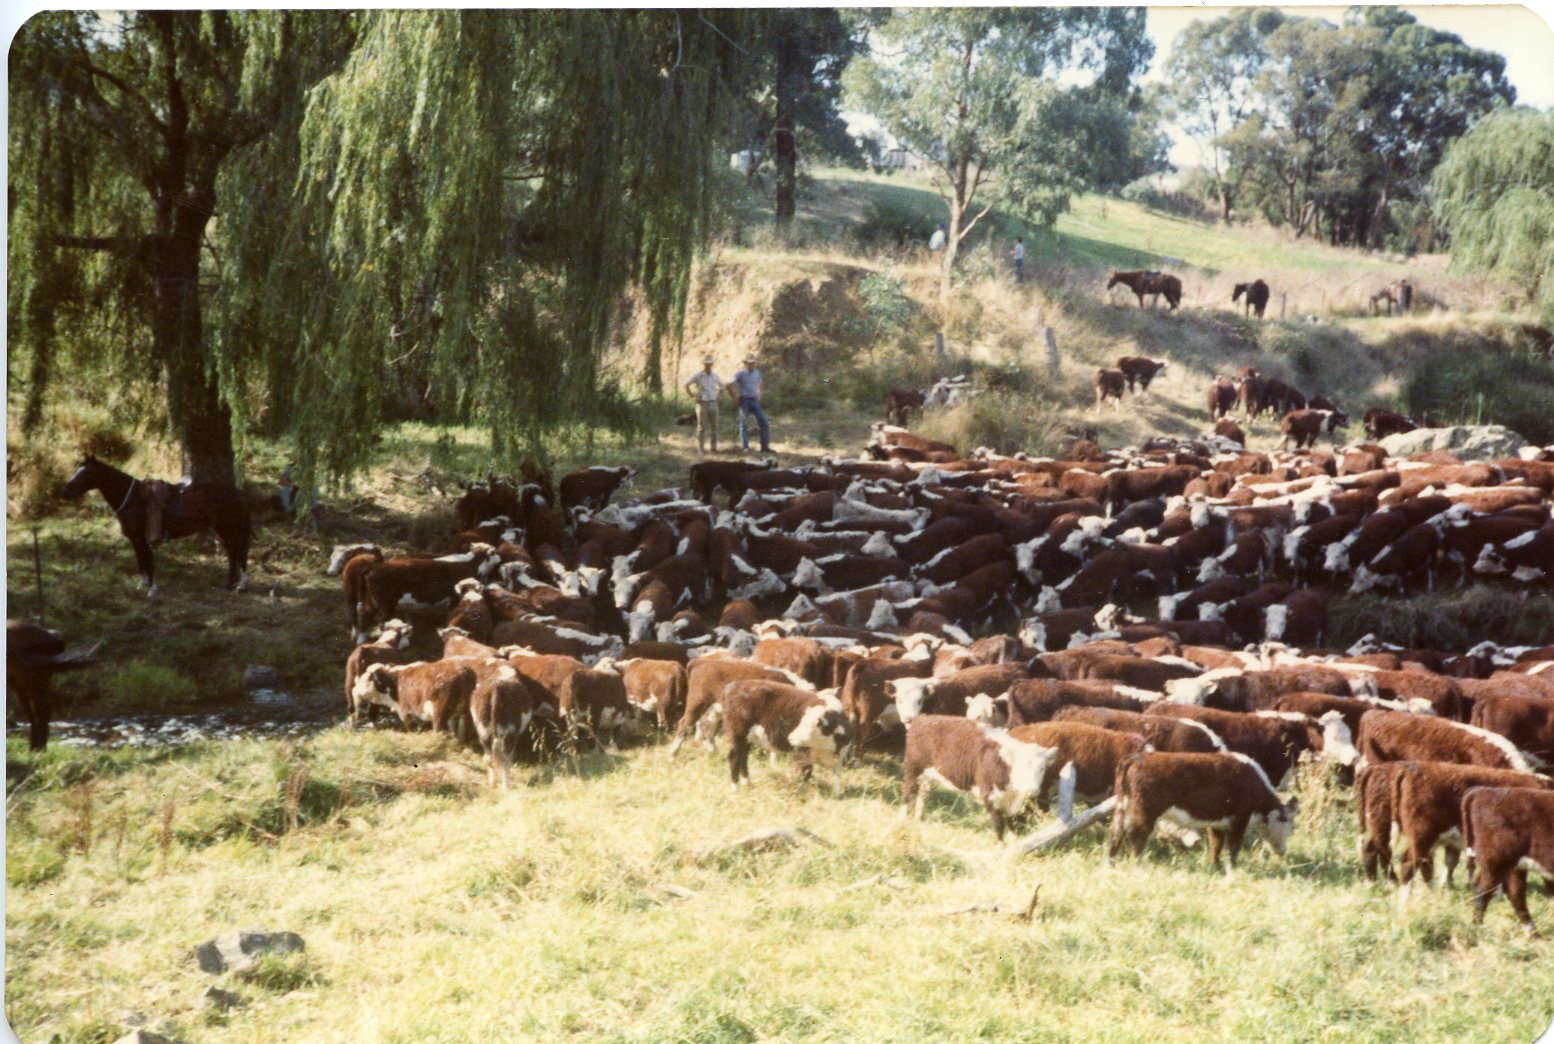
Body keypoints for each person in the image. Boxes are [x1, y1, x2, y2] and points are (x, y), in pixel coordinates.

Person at [727, 356, 771, 455]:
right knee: (744, 423)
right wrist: (734, 398)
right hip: (744, 400)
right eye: (749, 363)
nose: (751, 365)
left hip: (755, 400)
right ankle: (745, 447)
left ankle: (765, 447)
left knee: (764, 422)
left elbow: (760, 383)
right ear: (745, 364)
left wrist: (759, 394)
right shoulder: (740, 374)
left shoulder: (757, 372)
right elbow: (729, 384)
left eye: (753, 363)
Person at [684, 355, 724, 454]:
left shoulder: (715, 376)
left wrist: (718, 396)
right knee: (701, 427)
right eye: (706, 364)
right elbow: (686, 384)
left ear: (712, 365)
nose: (708, 366)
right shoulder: (698, 375)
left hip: (713, 402)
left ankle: (713, 448)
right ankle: (700, 449)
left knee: (714, 426)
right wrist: (693, 396)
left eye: (710, 364)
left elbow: (722, 387)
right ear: (704, 364)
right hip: (702, 403)